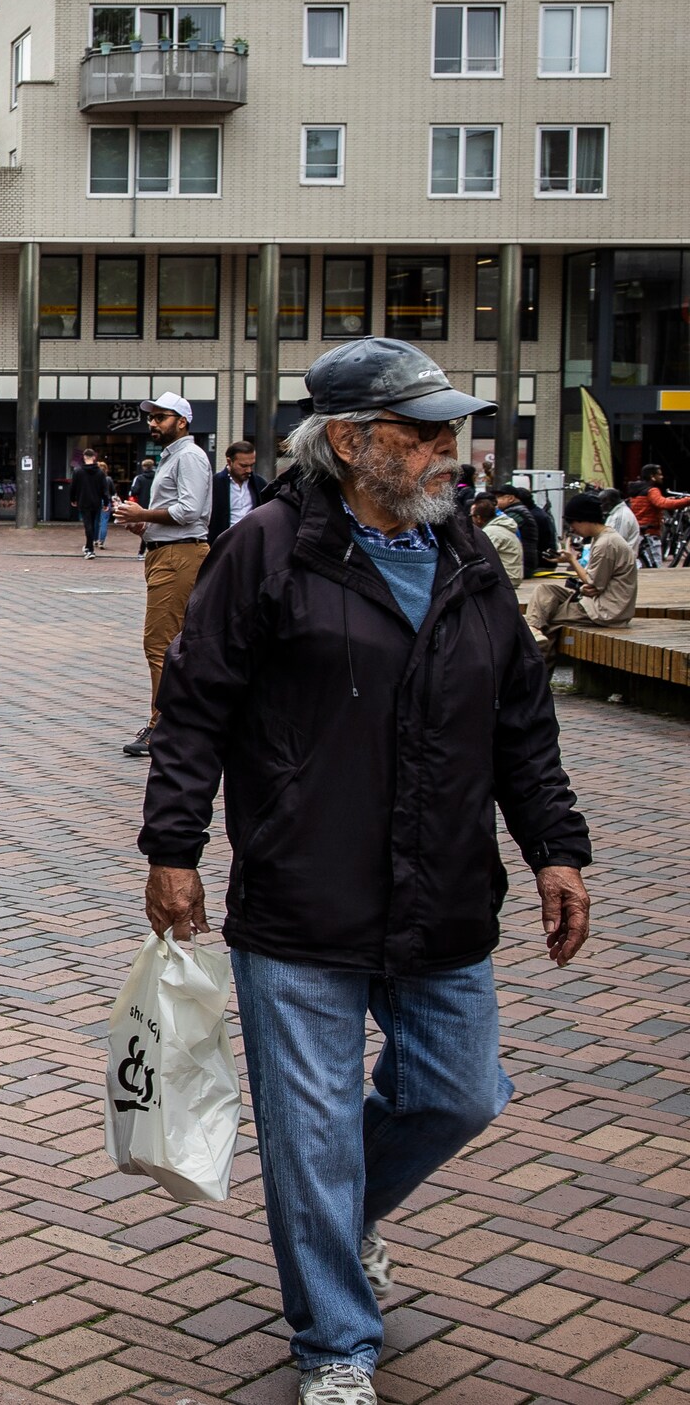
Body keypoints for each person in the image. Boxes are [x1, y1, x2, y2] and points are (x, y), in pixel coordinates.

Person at [142, 336, 589, 1405]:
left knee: (457, 1092)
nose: (448, 451)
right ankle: (335, 1344)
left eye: (449, 431)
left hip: (443, 887)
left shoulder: (466, 553)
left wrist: (555, 848)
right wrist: (172, 849)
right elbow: (194, 706)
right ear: (347, 442)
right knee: (309, 1134)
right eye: (422, 432)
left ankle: (342, 1221)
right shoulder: (266, 548)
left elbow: (519, 718)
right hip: (302, 886)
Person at [111, 394, 210, 757]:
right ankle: (179, 722)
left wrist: (143, 514)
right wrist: (144, 526)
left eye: (160, 417)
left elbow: (189, 511)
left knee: (160, 644)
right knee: (175, 643)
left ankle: (163, 727)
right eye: (150, 418)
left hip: (177, 556)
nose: (152, 423)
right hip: (167, 553)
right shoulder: (174, 457)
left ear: (182, 421)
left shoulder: (189, 456)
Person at [526, 494, 639, 655]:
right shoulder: (602, 538)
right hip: (596, 600)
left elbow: (593, 583)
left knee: (548, 618)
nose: (573, 529)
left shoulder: (605, 544)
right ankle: (533, 630)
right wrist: (584, 586)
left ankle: (538, 660)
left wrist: (571, 560)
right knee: (545, 590)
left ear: (583, 520)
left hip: (604, 610)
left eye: (572, 524)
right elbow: (592, 583)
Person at [208, 441, 269, 546]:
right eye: (243, 466)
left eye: (251, 465)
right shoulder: (214, 484)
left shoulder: (259, 484)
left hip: (252, 543)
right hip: (223, 544)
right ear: (229, 461)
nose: (249, 470)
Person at [629, 465, 690, 565]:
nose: (662, 477)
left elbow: (651, 502)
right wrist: (687, 500)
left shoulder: (637, 490)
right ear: (652, 476)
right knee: (655, 565)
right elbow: (663, 503)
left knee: (639, 563)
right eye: (659, 474)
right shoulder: (652, 490)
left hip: (639, 531)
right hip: (650, 533)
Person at [69, 449, 113, 559]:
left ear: (84, 457)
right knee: (93, 524)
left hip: (83, 500)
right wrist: (106, 502)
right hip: (96, 501)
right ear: (94, 457)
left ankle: (90, 550)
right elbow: (104, 489)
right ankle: (89, 547)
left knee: (87, 524)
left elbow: (73, 487)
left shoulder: (78, 471)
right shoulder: (100, 473)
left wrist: (73, 499)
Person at [474, 496, 524, 587]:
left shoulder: (491, 532)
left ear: (478, 517)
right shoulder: (500, 527)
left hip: (506, 578)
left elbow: (481, 556)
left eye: (471, 515)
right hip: (513, 576)